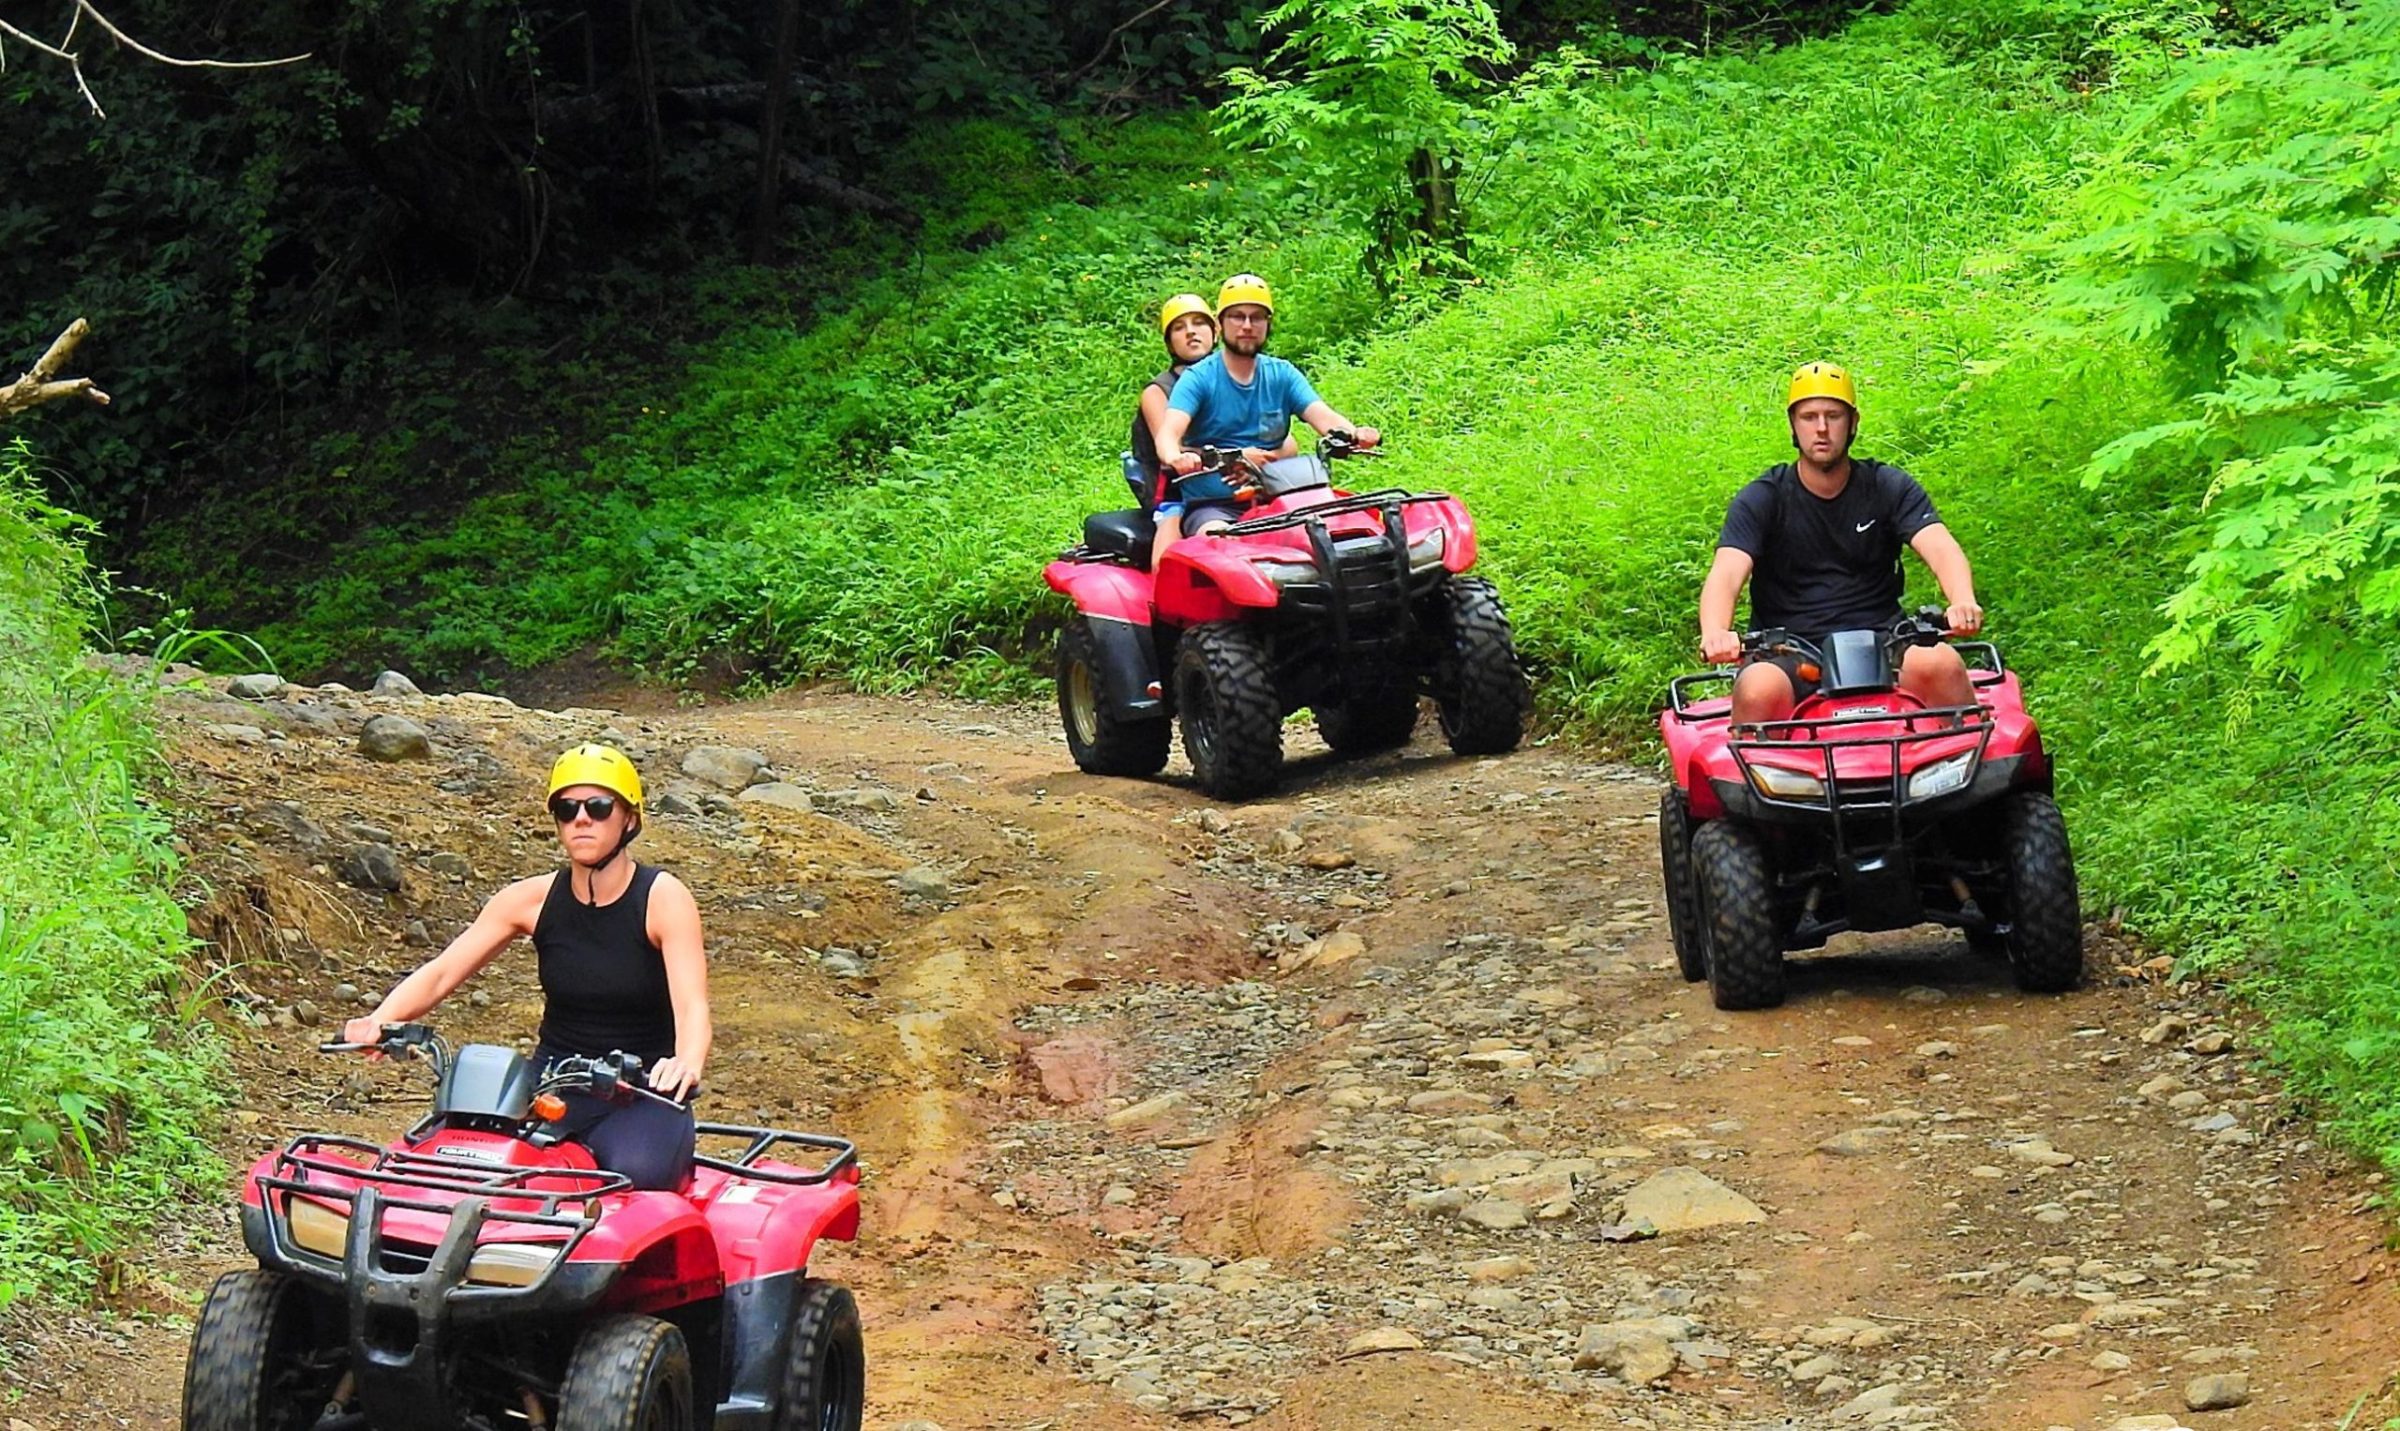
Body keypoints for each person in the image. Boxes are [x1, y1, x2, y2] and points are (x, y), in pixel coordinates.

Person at [340, 744, 711, 1190]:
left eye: (598, 806)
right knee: (448, 1162)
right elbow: (442, 971)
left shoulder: (663, 899)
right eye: (566, 808)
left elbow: (692, 1007)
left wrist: (685, 1064)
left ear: (629, 818)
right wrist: (381, 1021)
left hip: (641, 1091)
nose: (581, 819)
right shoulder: (529, 899)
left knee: (635, 1183)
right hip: (550, 1081)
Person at [1698, 361, 1984, 725]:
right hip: (1788, 649)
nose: (1821, 428)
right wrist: (1716, 633)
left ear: (1853, 422)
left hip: (1884, 639)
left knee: (1940, 662)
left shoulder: (1887, 486)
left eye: (1833, 415)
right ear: (1793, 424)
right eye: (1809, 416)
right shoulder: (1763, 498)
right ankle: (1760, 778)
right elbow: (1727, 573)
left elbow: (1940, 546)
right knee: (1758, 688)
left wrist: (1962, 601)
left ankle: (1966, 765)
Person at [1152, 273, 1379, 553]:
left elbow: (1324, 417)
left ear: (1267, 324)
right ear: (1221, 325)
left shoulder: (1282, 374)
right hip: (1216, 507)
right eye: (1237, 316)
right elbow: (1168, 434)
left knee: (1345, 534)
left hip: (1283, 497)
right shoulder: (1198, 378)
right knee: (1222, 547)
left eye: (1256, 317)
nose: (1247, 325)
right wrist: (1177, 457)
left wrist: (1355, 434)